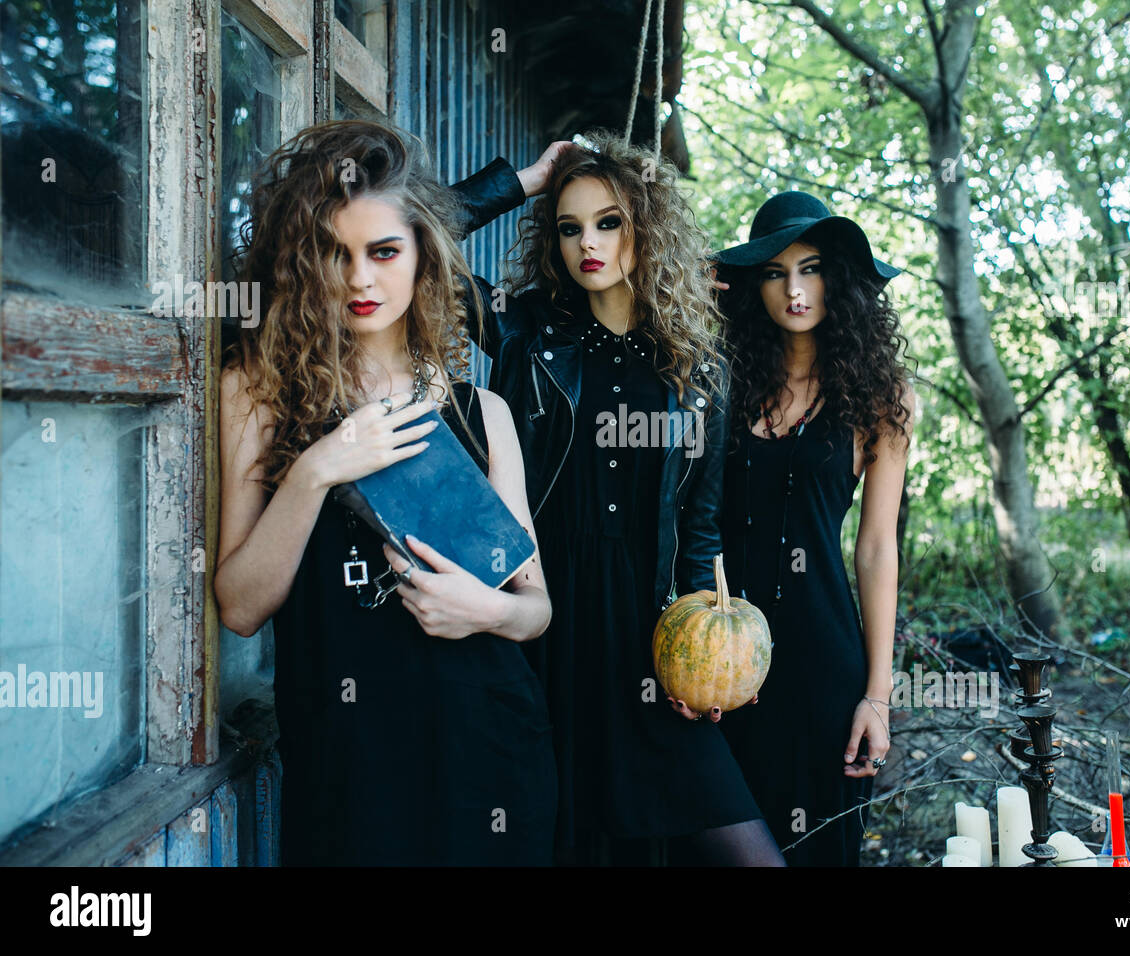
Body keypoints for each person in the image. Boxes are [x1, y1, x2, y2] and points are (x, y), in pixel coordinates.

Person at [213, 120, 557, 865]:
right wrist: (317, 469)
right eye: (334, 254)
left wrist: (483, 609)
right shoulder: (261, 392)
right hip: (350, 775)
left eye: (383, 251)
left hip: (490, 758)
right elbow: (239, 607)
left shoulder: (481, 413)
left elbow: (536, 610)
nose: (359, 280)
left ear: (423, 255)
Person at [448, 132, 785, 866]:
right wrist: (526, 179)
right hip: (540, 623)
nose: (587, 243)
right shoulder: (525, 331)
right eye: (570, 227)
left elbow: (700, 527)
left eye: (609, 222)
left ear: (646, 228)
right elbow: (412, 240)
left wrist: (711, 661)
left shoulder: (699, 368)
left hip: (653, 640)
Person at [711, 191, 916, 866]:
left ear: (841, 278)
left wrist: (876, 698)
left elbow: (878, 550)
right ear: (750, 285)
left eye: (812, 268)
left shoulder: (881, 396)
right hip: (718, 657)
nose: (795, 290)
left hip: (821, 663)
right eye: (774, 272)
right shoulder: (718, 379)